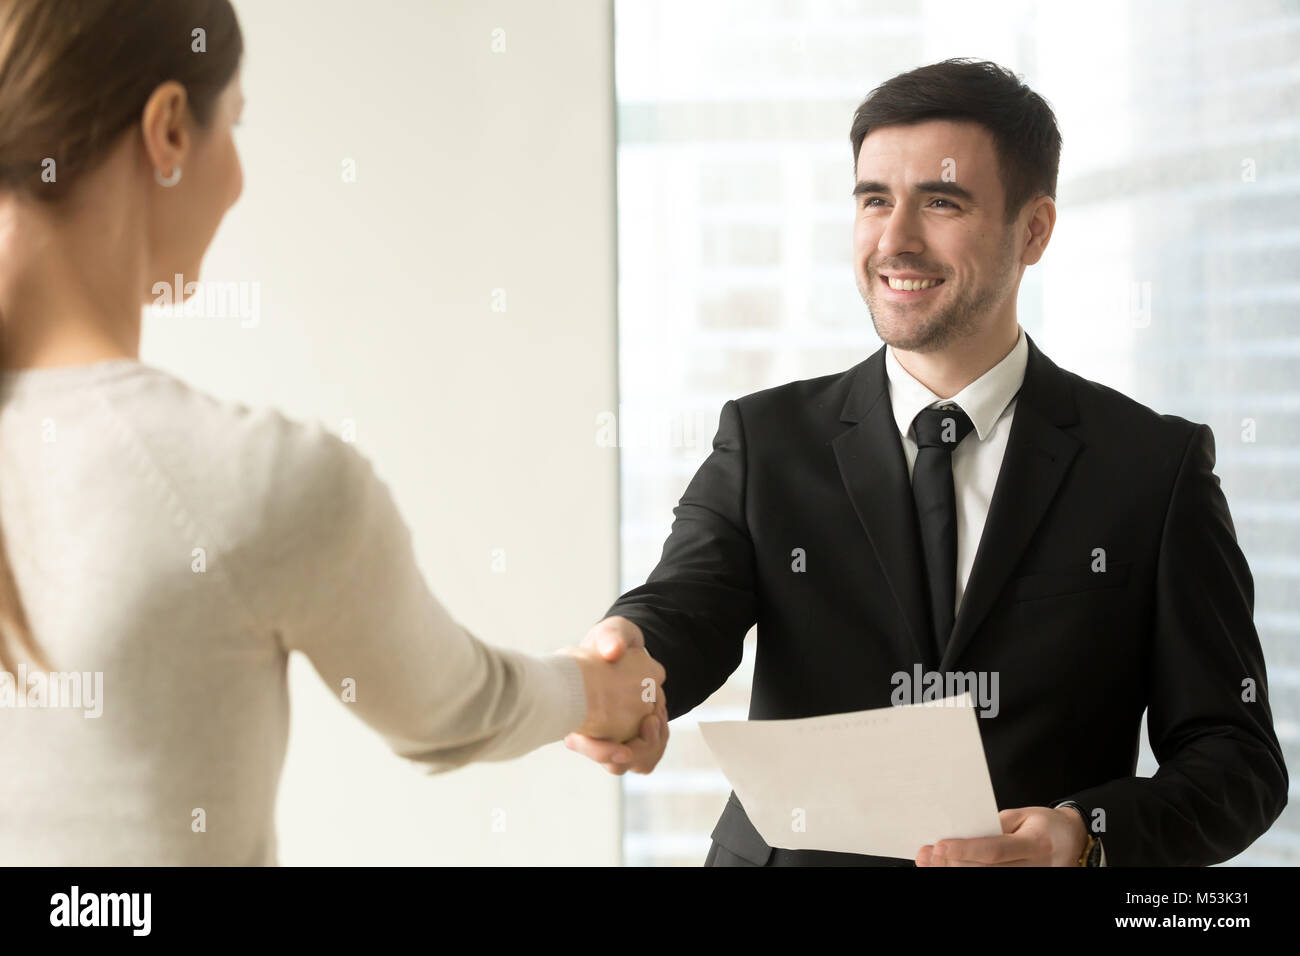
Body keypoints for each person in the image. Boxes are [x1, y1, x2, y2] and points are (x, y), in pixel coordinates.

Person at [567, 58, 1289, 866]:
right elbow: (684, 607)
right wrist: (625, 658)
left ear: (1034, 230)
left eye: (941, 202)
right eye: (874, 199)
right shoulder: (766, 439)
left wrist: (1084, 834)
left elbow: (1237, 761)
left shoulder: (1152, 468)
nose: (895, 240)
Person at [0, 0, 663, 865]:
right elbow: (453, 707)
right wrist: (603, 694)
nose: (237, 180)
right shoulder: (248, 478)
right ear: (168, 130)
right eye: (233, 125)